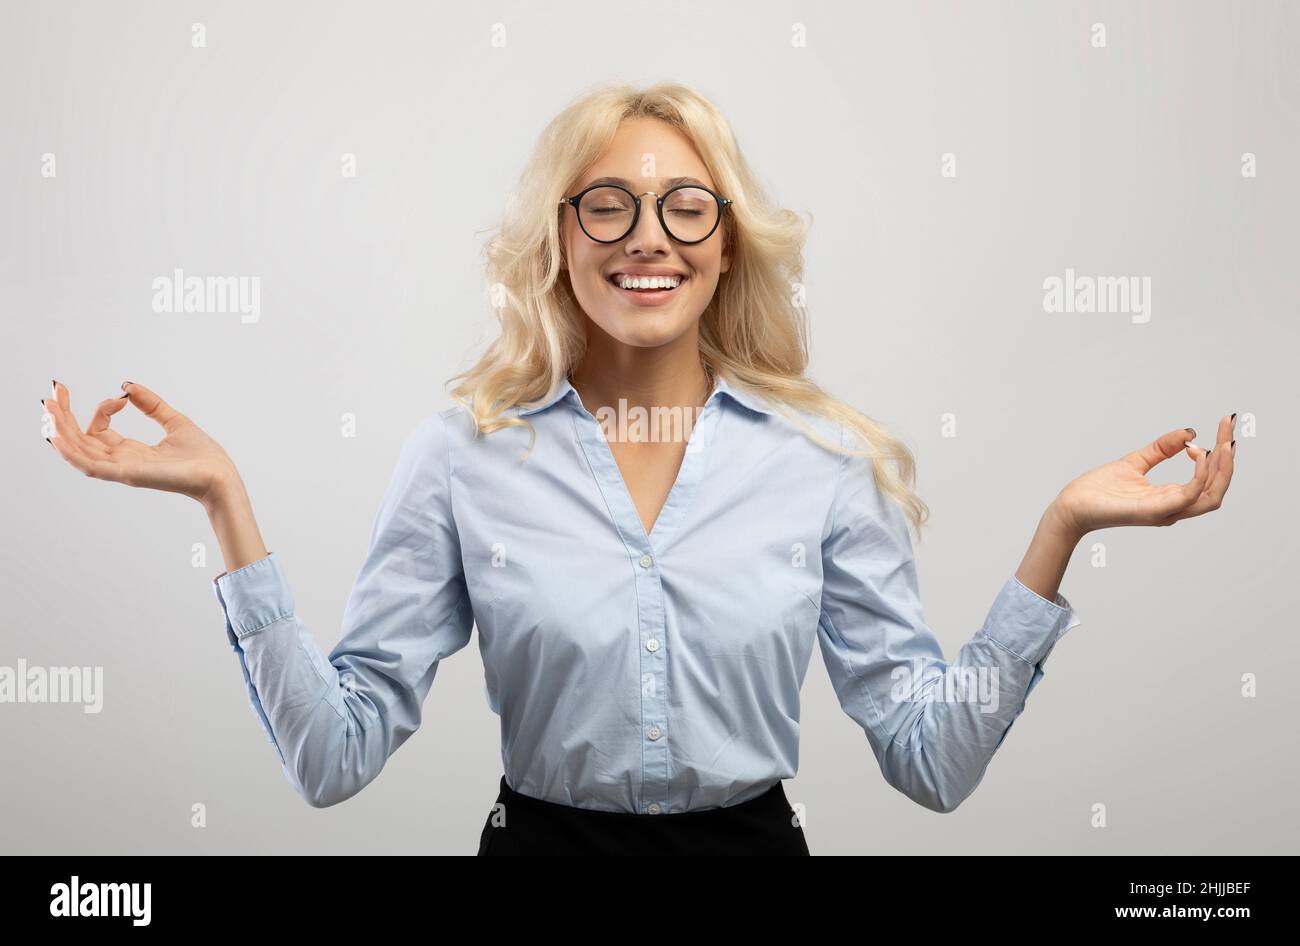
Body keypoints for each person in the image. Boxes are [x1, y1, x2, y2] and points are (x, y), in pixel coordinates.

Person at [39, 81, 1237, 855]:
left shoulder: (823, 464)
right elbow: (332, 755)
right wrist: (224, 505)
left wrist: (1059, 531)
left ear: (726, 246)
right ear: (561, 241)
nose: (646, 236)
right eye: (606, 204)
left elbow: (931, 764)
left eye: (683, 207)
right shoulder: (464, 455)